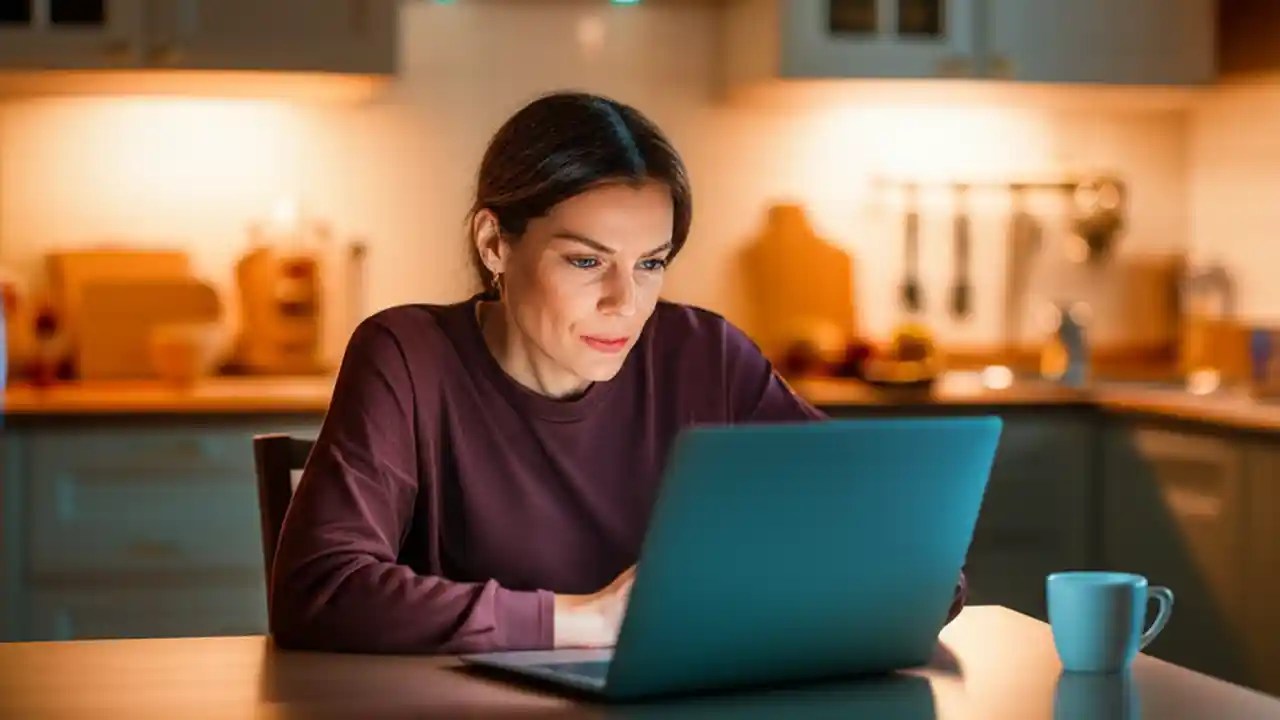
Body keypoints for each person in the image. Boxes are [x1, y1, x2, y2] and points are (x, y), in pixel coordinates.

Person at [268, 90, 966, 655]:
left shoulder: (706, 357)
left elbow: (918, 563)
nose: (623, 303)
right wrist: (583, 622)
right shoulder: (407, 356)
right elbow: (320, 591)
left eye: (650, 263)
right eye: (585, 261)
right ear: (494, 243)